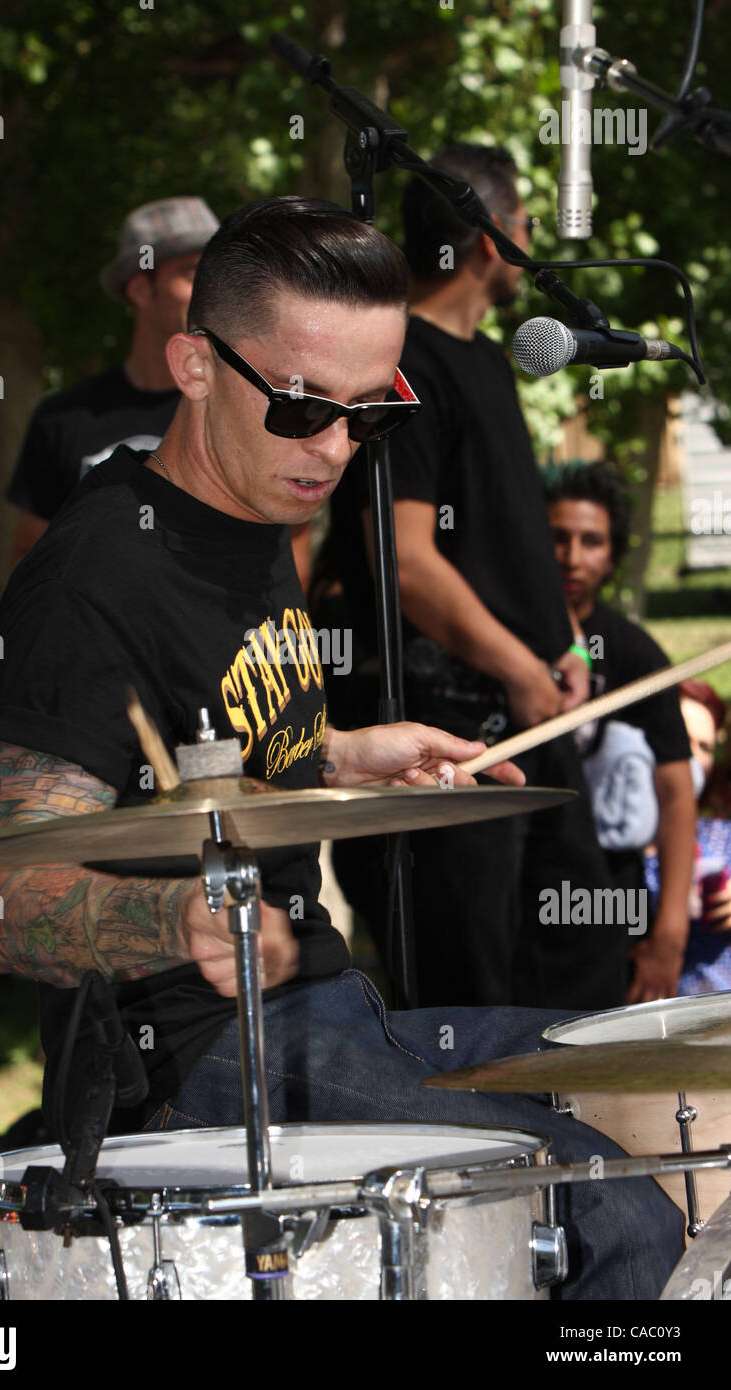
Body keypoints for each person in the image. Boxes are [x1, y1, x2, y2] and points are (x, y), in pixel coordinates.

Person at [0, 196, 682, 1299]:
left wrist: (344, 753)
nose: (337, 448)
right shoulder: (92, 581)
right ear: (193, 366)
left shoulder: (256, 516)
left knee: (659, 1069)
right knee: (606, 1206)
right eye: (303, 408)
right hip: (201, 1063)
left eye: (370, 414)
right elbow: (6, 899)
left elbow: (206, 753)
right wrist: (173, 918)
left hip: (330, 1007)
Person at [324, 145, 616, 1012]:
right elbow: (405, 558)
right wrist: (520, 668)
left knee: (575, 979)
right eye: (524, 222)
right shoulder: (402, 360)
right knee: (472, 1006)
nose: (531, 242)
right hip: (452, 736)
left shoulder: (488, 359)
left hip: (527, 719)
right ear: (490, 237)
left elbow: (505, 540)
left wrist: (558, 644)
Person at [545, 462, 695, 1003]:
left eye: (592, 541)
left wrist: (671, 932)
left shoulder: (635, 653)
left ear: (613, 555)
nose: (573, 556)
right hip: (512, 895)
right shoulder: (501, 641)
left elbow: (677, 794)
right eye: (558, 537)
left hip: (607, 900)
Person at [6, 197, 219, 568]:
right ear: (140, 290)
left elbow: (284, 544)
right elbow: (29, 556)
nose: (210, 290)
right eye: (191, 273)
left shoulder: (239, 406)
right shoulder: (63, 419)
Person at [644, 680, 731, 994]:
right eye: (681, 740)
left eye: (705, 747)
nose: (692, 758)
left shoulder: (722, 838)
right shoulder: (614, 849)